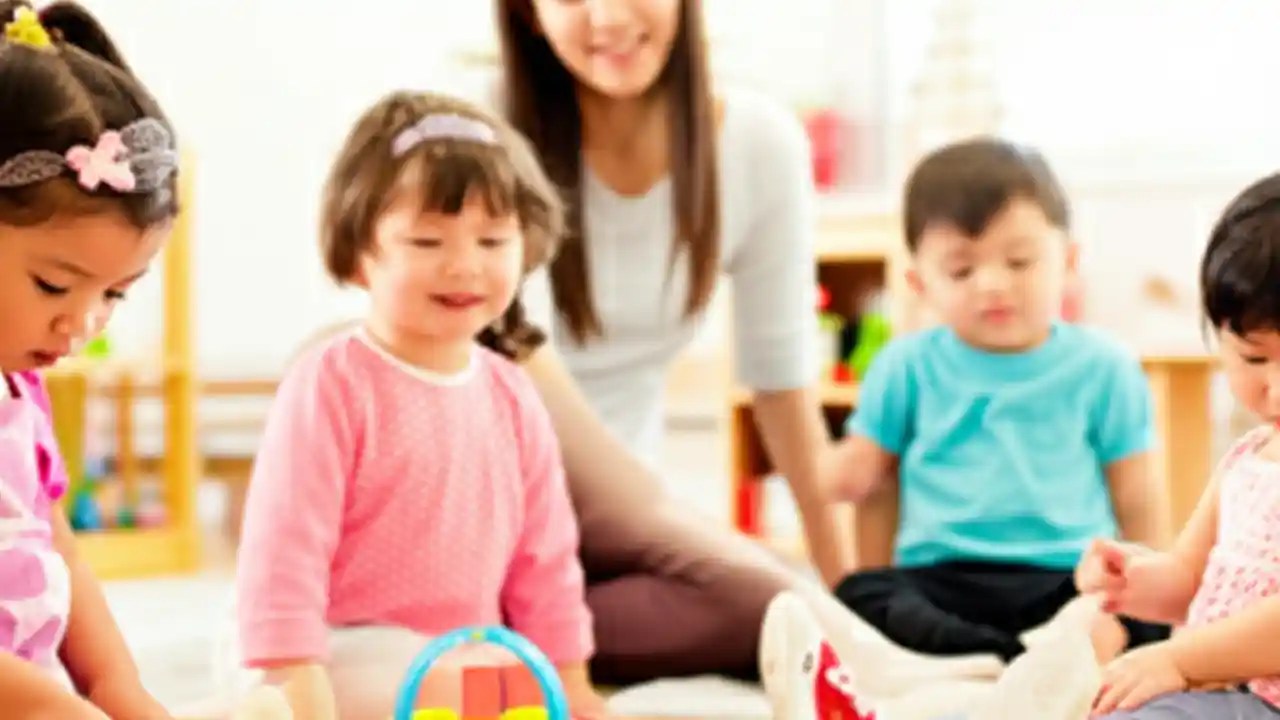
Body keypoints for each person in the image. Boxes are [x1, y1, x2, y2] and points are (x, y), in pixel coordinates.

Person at [490, 0, 853, 683]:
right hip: (499, 513)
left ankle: (508, 641)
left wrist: (850, 593)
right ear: (529, 14)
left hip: (615, 548)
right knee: (763, 590)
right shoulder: (482, 134)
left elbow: (781, 383)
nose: (608, 17)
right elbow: (485, 354)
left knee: (760, 606)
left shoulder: (758, 143)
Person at [756, 138, 1173, 719]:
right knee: (862, 594)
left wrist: (1151, 581)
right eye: (961, 269)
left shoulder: (1105, 368)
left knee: (1138, 617)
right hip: (941, 581)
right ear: (921, 284)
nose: (992, 284)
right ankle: (1004, 668)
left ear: (1068, 262)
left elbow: (1137, 492)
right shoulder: (905, 366)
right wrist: (816, 454)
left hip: (1063, 577)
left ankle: (971, 673)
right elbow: (856, 477)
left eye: (1019, 262)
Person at [233, 91, 608, 720]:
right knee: (466, 692)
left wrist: (570, 683)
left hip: (464, 653)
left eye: (492, 241)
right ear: (358, 255)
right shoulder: (333, 382)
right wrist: (298, 687)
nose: (464, 265)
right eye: (427, 241)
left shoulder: (511, 393)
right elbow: (283, 556)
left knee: (511, 684)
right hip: (329, 650)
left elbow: (545, 560)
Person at [0, 2, 182, 718]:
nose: (82, 323)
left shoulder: (20, 390)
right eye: (53, 285)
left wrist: (115, 686)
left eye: (116, 295)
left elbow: (56, 546)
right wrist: (49, 707)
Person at [1076, 171, 1280, 717]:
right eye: (1255, 359)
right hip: (1213, 687)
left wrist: (1178, 660)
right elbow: (1188, 580)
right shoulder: (1245, 462)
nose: (1277, 389)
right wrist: (1130, 580)